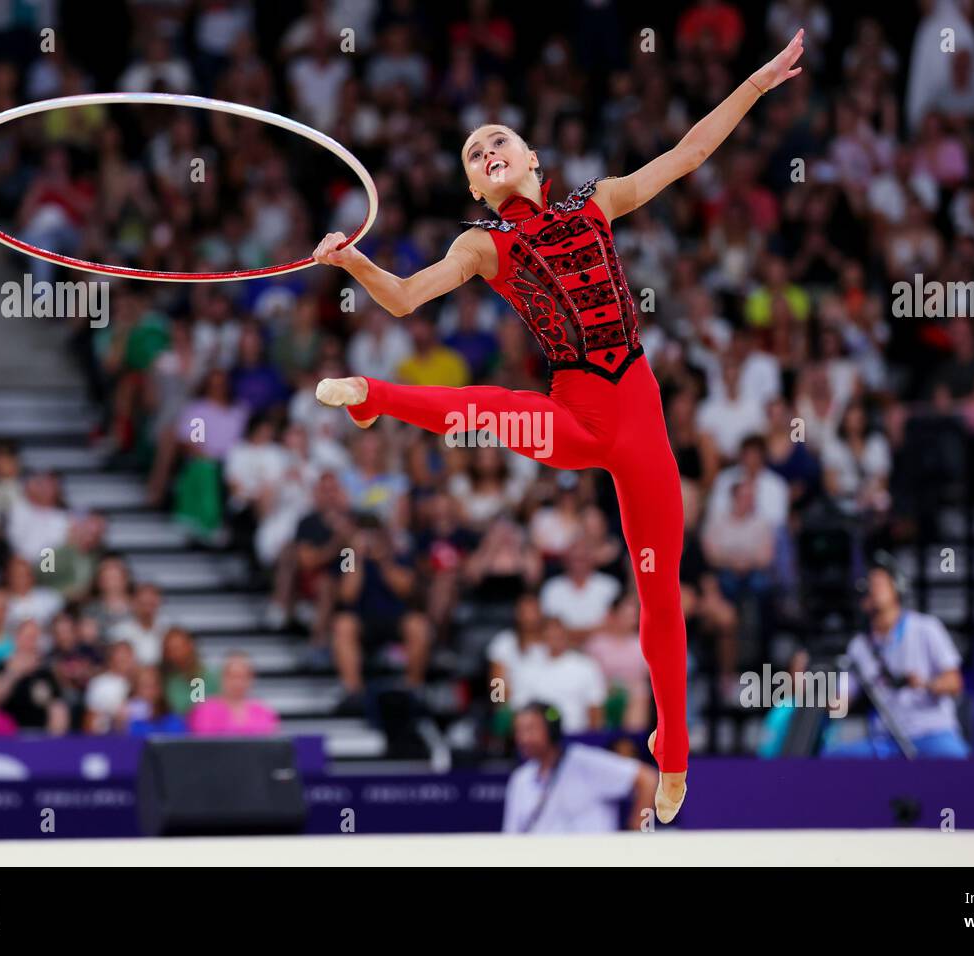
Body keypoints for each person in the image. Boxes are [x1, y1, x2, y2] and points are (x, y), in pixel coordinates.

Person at [308, 30, 809, 820]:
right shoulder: (483, 243)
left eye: (497, 139)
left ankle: (672, 755)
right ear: (476, 190)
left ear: (533, 157)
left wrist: (752, 85)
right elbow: (405, 298)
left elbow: (685, 155)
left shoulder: (598, 199)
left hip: (638, 413)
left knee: (660, 596)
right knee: (484, 408)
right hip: (574, 415)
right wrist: (354, 266)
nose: (486, 150)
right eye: (474, 154)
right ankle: (374, 395)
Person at [825, 554, 970, 758]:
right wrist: (811, 689)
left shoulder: (926, 628)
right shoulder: (859, 646)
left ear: (897, 588)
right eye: (871, 585)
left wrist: (925, 684)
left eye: (880, 583)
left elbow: (954, 682)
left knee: (957, 759)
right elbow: (838, 705)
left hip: (931, 732)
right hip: (886, 740)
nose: (874, 589)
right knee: (833, 759)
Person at [502, 702, 658, 833]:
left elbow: (648, 779)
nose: (523, 738)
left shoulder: (586, 763)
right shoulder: (520, 779)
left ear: (552, 730)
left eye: (531, 730)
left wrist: (638, 833)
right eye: (519, 731)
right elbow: (511, 836)